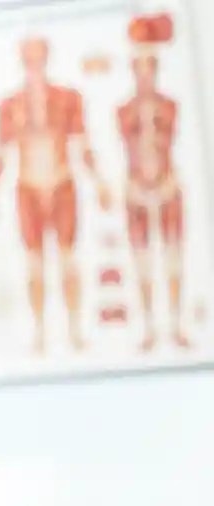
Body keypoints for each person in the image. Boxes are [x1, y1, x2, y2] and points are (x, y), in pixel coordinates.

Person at [0, 37, 112, 355]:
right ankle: (40, 330)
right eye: (29, 59)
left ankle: (74, 329)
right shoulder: (10, 105)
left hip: (61, 183)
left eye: (39, 59)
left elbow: (83, 145)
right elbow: (2, 153)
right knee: (34, 265)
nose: (34, 65)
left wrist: (100, 183)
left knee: (68, 262)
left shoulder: (67, 98)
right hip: (28, 187)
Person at [117, 49, 188, 351]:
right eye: (139, 71)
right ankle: (149, 326)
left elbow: (166, 138)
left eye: (149, 71)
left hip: (166, 183)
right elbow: (129, 143)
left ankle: (175, 324)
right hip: (137, 188)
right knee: (143, 260)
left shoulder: (169, 105)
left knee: (173, 257)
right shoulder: (124, 110)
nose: (145, 77)